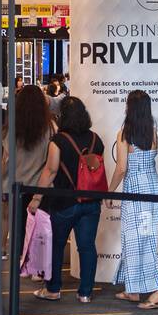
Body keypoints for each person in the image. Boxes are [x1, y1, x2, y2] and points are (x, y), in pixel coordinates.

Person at [31, 96, 103, 303]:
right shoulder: (96, 140)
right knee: (87, 246)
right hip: (91, 202)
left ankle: (53, 289)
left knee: (56, 245)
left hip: (64, 202)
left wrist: (36, 198)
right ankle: (85, 293)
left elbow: (50, 171)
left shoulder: (58, 141)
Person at [108, 90, 158, 310]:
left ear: (130, 108)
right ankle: (132, 289)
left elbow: (122, 168)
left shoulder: (125, 133)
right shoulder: (153, 132)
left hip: (135, 189)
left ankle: (156, 291)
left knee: (138, 240)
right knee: (143, 238)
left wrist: (110, 191)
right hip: (152, 188)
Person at [3, 84, 57, 248]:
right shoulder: (51, 128)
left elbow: (5, 159)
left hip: (14, 186)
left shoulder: (10, 128)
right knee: (39, 233)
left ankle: (18, 264)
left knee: (17, 231)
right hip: (40, 188)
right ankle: (36, 268)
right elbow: (53, 162)